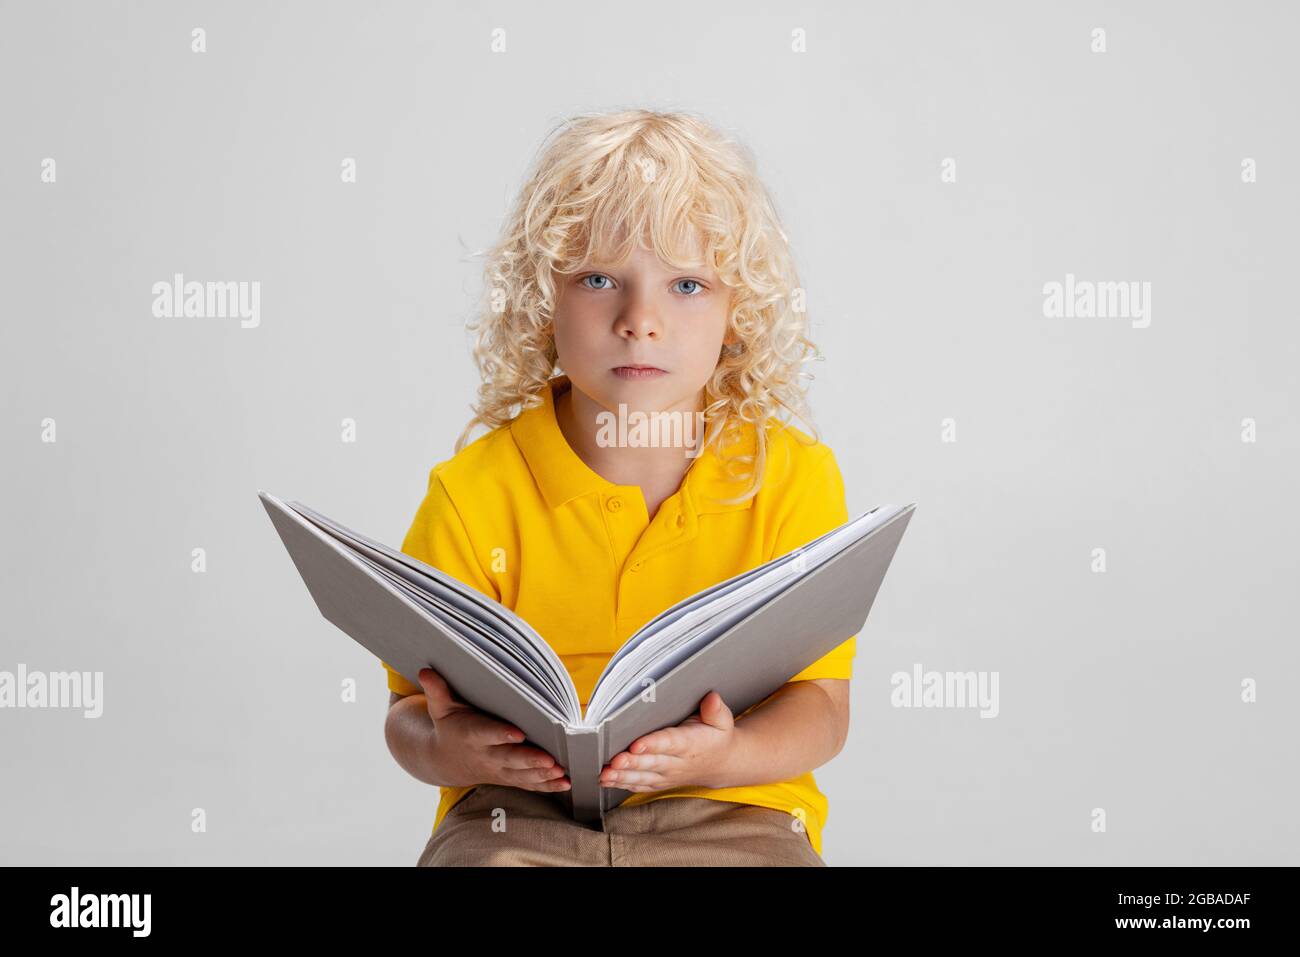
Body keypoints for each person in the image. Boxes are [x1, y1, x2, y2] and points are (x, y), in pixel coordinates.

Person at [382, 109, 856, 866]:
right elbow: (407, 713)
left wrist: (720, 758)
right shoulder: (472, 493)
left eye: (688, 284)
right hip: (515, 817)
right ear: (546, 300)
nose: (641, 320)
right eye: (599, 279)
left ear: (738, 312)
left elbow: (824, 712)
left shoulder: (792, 478)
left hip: (732, 813)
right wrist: (451, 749)